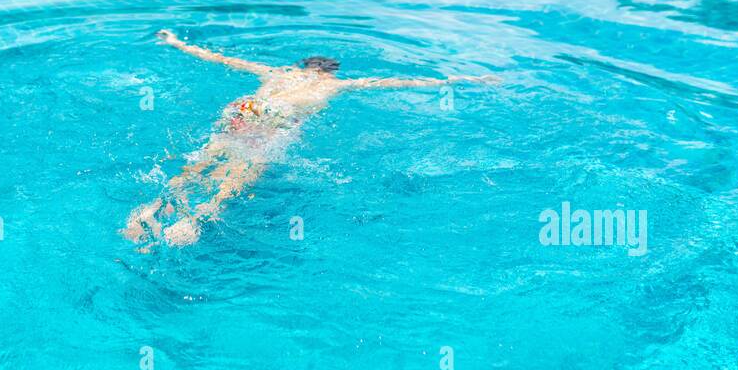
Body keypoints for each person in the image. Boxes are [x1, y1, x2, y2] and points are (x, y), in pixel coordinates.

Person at [123, 29, 494, 248]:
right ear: (329, 73)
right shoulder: (339, 86)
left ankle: (153, 208)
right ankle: (199, 217)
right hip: (277, 124)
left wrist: (175, 42)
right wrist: (465, 80)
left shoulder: (273, 72)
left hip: (246, 109)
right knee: (239, 175)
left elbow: (217, 58)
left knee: (200, 163)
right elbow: (405, 82)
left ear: (303, 67)